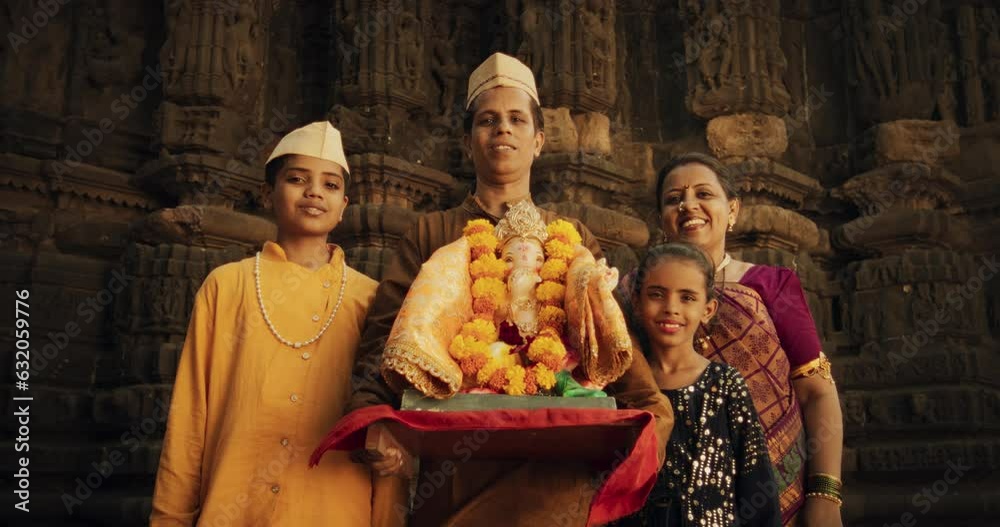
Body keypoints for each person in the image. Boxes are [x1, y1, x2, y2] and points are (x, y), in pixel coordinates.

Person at [347, 53, 675, 526]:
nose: (503, 130)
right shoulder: (433, 232)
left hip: (558, 473)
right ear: (467, 141)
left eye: (517, 119)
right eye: (488, 120)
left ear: (538, 141)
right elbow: (383, 339)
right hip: (456, 466)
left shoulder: (571, 235)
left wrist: (651, 412)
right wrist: (370, 417)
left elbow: (608, 337)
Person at [150, 122, 382, 526]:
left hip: (336, 510)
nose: (313, 192)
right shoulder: (227, 286)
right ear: (266, 193)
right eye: (296, 179)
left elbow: (384, 428)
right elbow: (190, 418)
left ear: (344, 206)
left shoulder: (372, 301)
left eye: (329, 185)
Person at [617, 152, 845, 526]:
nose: (689, 204)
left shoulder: (771, 285)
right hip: (661, 493)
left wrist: (825, 495)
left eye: (704, 194)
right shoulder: (631, 295)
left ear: (733, 209)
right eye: (674, 198)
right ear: (662, 218)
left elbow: (817, 391)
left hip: (773, 490)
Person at [615, 242, 780, 527]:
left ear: (708, 309)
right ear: (637, 302)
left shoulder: (726, 385)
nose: (671, 308)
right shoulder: (621, 388)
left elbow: (758, 487)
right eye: (656, 294)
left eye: (687, 297)